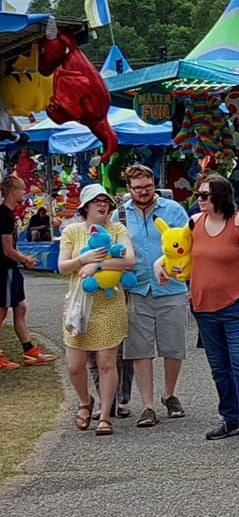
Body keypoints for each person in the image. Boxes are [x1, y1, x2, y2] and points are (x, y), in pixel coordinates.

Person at [189, 174, 239, 443]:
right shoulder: (194, 223)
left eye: (204, 195)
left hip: (236, 303)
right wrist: (164, 269)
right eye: (198, 195)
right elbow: (180, 256)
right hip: (203, 305)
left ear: (220, 196)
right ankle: (228, 416)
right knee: (219, 366)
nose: (199, 200)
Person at [58, 182, 137, 434]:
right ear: (86, 207)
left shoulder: (117, 229)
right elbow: (62, 266)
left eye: (106, 201)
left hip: (109, 303)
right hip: (79, 305)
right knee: (74, 364)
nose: (102, 205)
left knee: (106, 362)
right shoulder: (72, 231)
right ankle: (85, 401)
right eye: (96, 201)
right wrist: (83, 260)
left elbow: (129, 260)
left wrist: (99, 266)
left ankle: (105, 415)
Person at [118, 162, 190, 425]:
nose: (144, 192)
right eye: (138, 188)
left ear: (154, 184)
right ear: (129, 188)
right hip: (136, 288)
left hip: (171, 287)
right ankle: (147, 405)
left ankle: (169, 394)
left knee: (173, 346)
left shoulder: (173, 210)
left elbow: (187, 243)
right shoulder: (120, 216)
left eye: (148, 186)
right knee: (140, 349)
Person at [0, 172, 57, 369]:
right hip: (4, 268)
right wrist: (24, 259)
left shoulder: (9, 214)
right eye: (22, 189)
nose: (24, 193)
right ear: (13, 191)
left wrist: (22, 259)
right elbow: (7, 249)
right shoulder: (4, 215)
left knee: (20, 307)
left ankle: (29, 351)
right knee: (2, 311)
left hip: (11, 268)